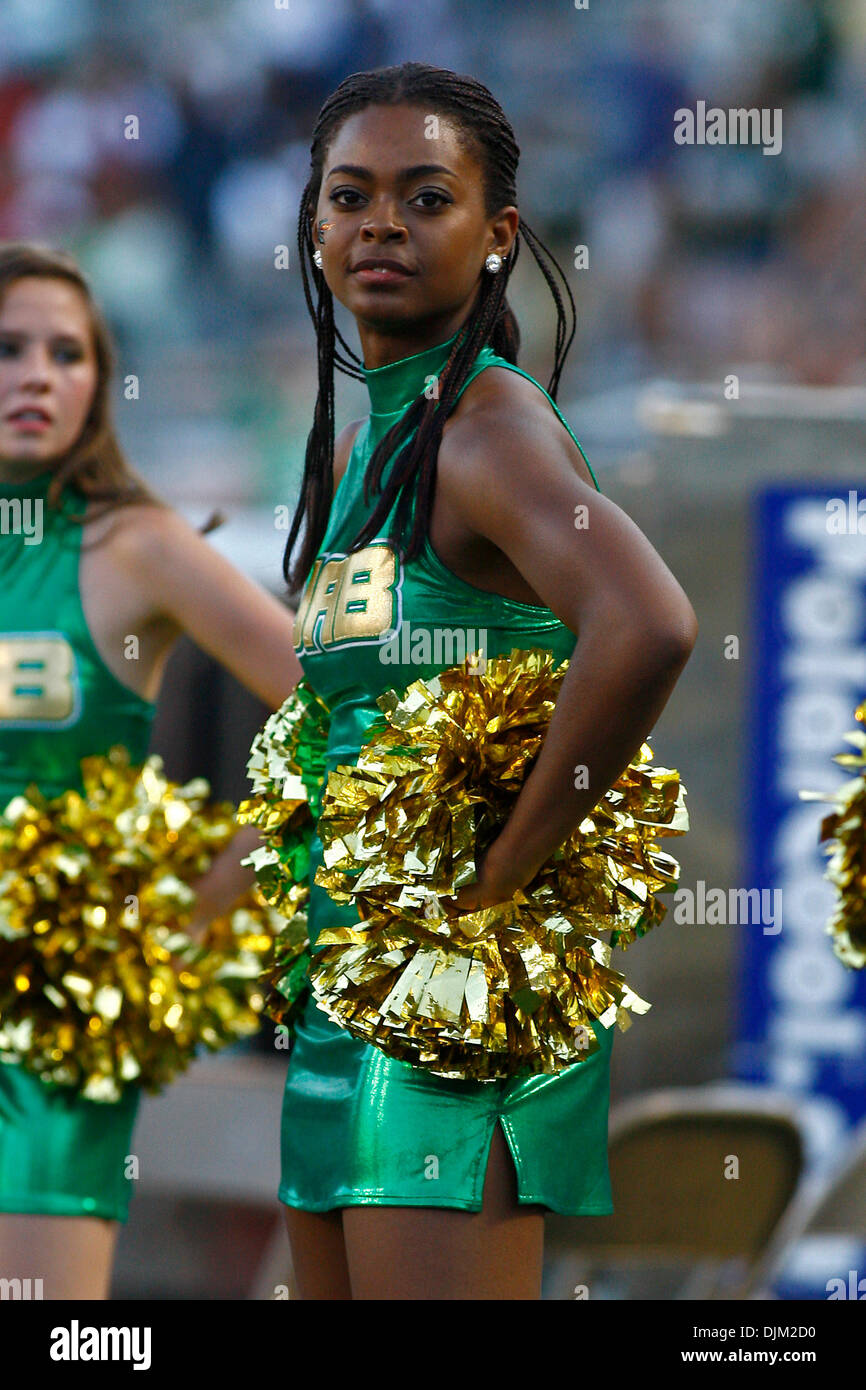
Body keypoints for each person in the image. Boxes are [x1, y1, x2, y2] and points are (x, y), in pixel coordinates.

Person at [278, 62, 698, 1301]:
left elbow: (648, 622)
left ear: (496, 234)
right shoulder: (375, 438)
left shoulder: (487, 428)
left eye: (425, 198)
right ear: (314, 228)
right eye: (349, 198)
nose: (381, 227)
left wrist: (499, 874)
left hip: (449, 1014)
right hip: (342, 995)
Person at [0, 242, 302, 1298]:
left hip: (47, 1009)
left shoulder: (135, 545)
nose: (37, 374)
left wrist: (200, 896)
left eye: (67, 352)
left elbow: (336, 710)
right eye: (9, 348)